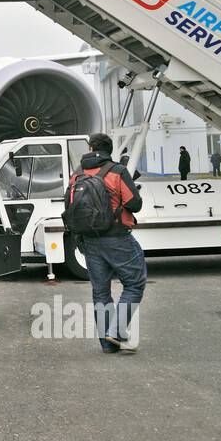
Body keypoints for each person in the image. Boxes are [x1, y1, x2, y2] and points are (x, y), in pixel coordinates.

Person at [68, 133, 146, 354]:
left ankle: (107, 344)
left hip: (89, 239)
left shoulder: (78, 174)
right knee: (134, 284)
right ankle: (117, 331)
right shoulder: (117, 171)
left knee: (100, 292)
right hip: (117, 237)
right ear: (109, 150)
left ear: (91, 148)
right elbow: (134, 203)